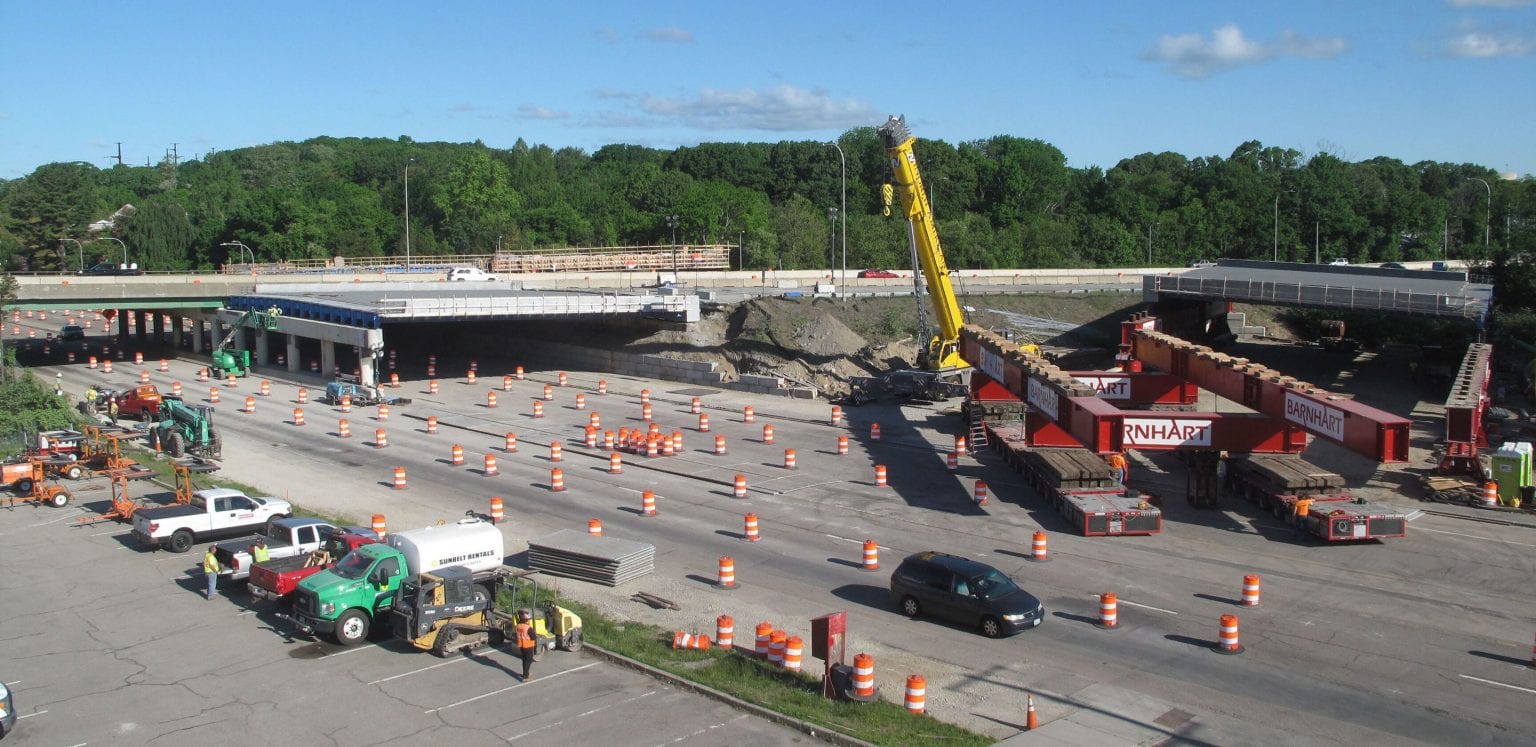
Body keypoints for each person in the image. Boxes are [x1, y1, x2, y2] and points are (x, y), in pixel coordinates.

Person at [515, 609, 537, 681]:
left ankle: (525, 673)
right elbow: (533, 637)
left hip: (521, 645)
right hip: (528, 646)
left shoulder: (518, 626)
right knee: (528, 660)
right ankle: (525, 677)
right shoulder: (528, 628)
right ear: (526, 620)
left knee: (524, 660)